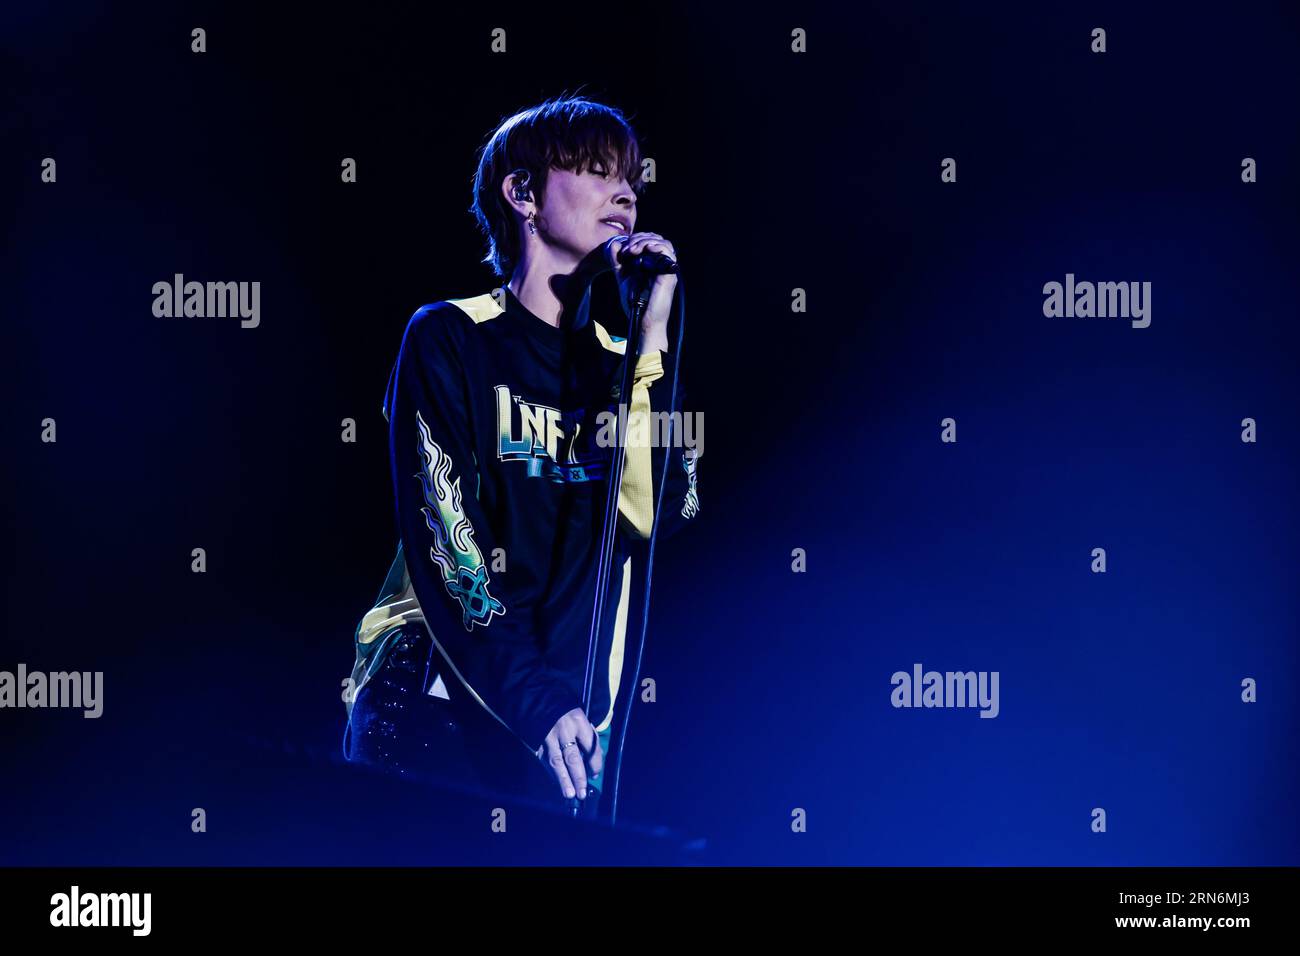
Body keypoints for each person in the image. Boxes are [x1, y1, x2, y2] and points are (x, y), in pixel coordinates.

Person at [342, 95, 700, 822]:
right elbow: (451, 546)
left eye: (631, 178)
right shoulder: (450, 338)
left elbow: (666, 512)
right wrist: (537, 705)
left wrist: (652, 339)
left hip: (561, 748)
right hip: (436, 719)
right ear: (523, 193)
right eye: (598, 170)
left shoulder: (622, 370)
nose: (625, 193)